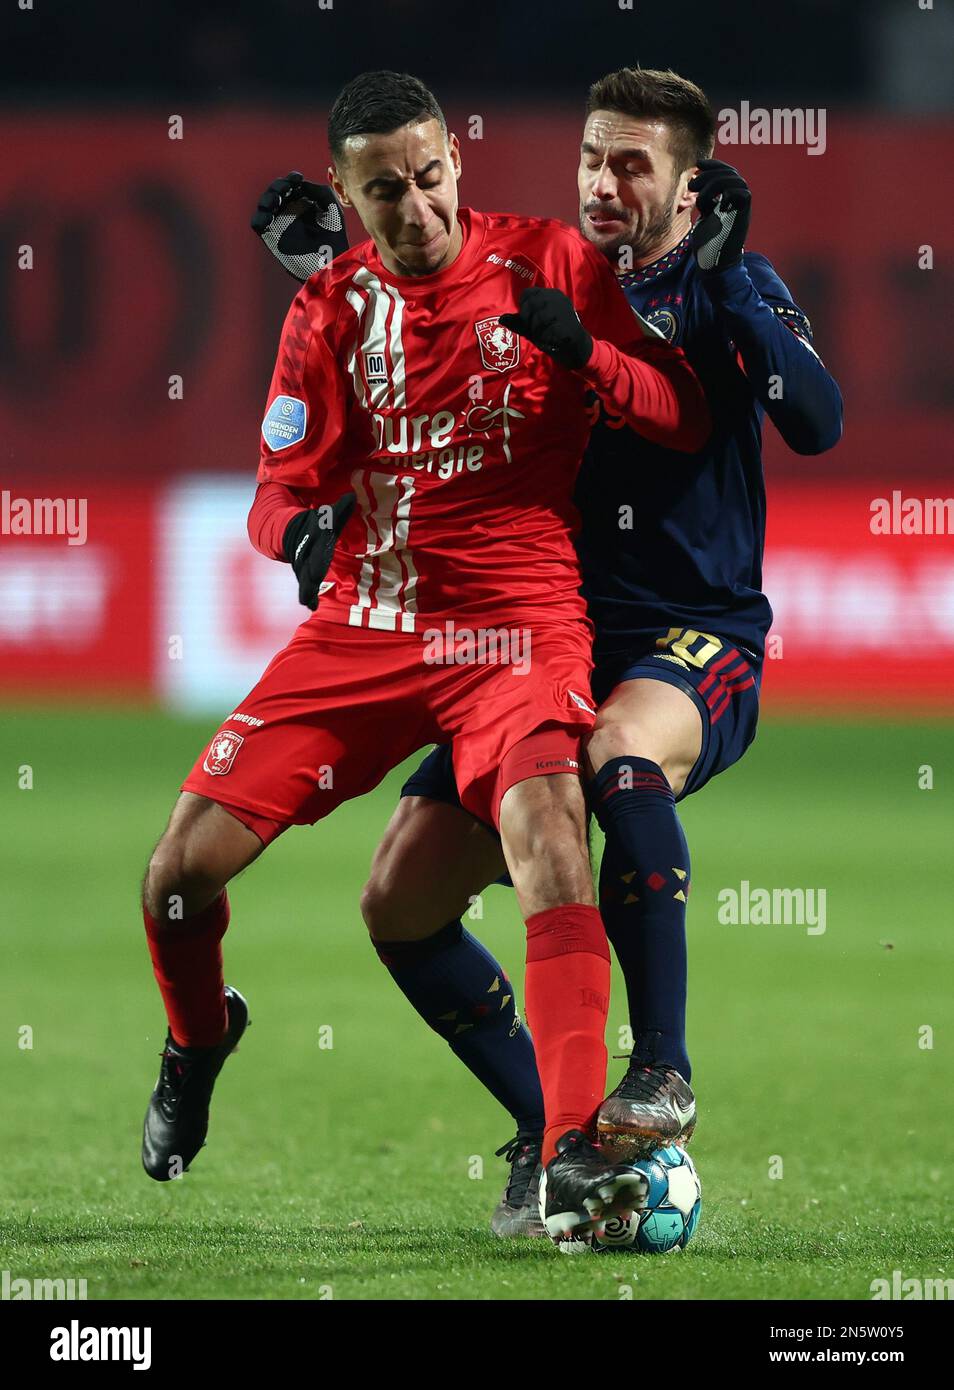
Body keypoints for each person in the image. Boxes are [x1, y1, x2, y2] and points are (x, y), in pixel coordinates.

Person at [251, 66, 843, 1239]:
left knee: (623, 754)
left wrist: (729, 280)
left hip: (691, 634)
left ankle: (661, 1069)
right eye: (590, 158)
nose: (604, 183)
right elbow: (409, 331)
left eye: (634, 164)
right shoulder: (543, 278)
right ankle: (552, 1134)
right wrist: (335, 265)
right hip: (539, 643)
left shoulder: (725, 286)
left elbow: (817, 422)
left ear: (691, 186)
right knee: (400, 899)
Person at [140, 69, 710, 1247]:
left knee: (550, 835)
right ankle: (197, 1042)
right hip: (370, 622)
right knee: (178, 878)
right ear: (347, 196)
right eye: (386, 191)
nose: (418, 207)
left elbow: (683, 412)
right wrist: (298, 535)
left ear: (458, 160)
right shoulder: (329, 311)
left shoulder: (552, 262)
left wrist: (591, 358)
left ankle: (566, 1154)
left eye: (431, 176)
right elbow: (276, 491)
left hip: (516, 624)